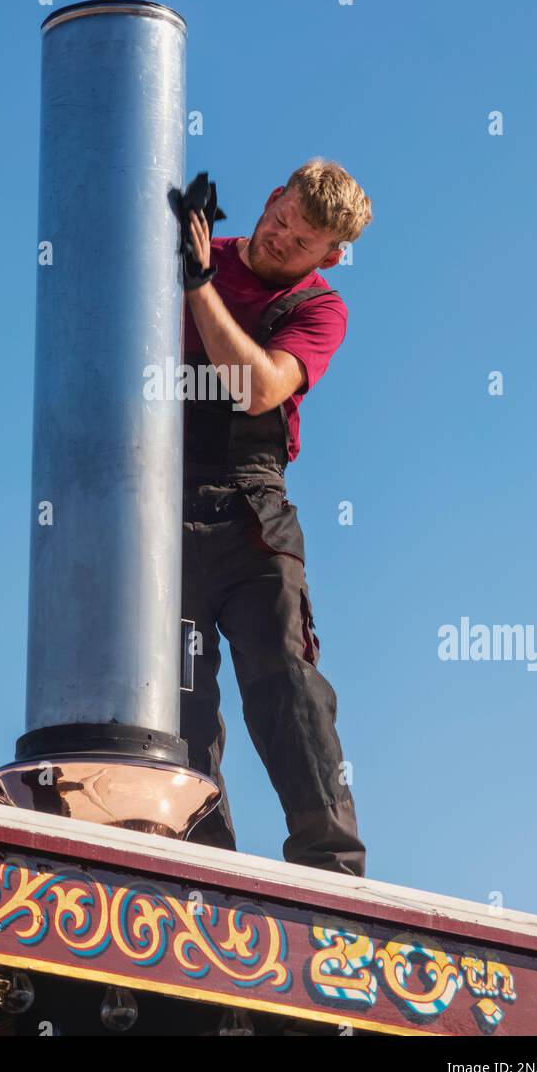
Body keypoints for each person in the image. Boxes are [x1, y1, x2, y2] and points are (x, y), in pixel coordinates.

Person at [177, 157, 372, 877]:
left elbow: (259, 389)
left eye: (303, 239)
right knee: (177, 702)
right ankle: (199, 865)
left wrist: (196, 288)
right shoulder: (178, 255)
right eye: (281, 217)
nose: (280, 238)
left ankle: (332, 872)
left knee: (285, 683)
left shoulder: (319, 308)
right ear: (271, 198)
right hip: (159, 506)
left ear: (332, 255)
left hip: (251, 508)